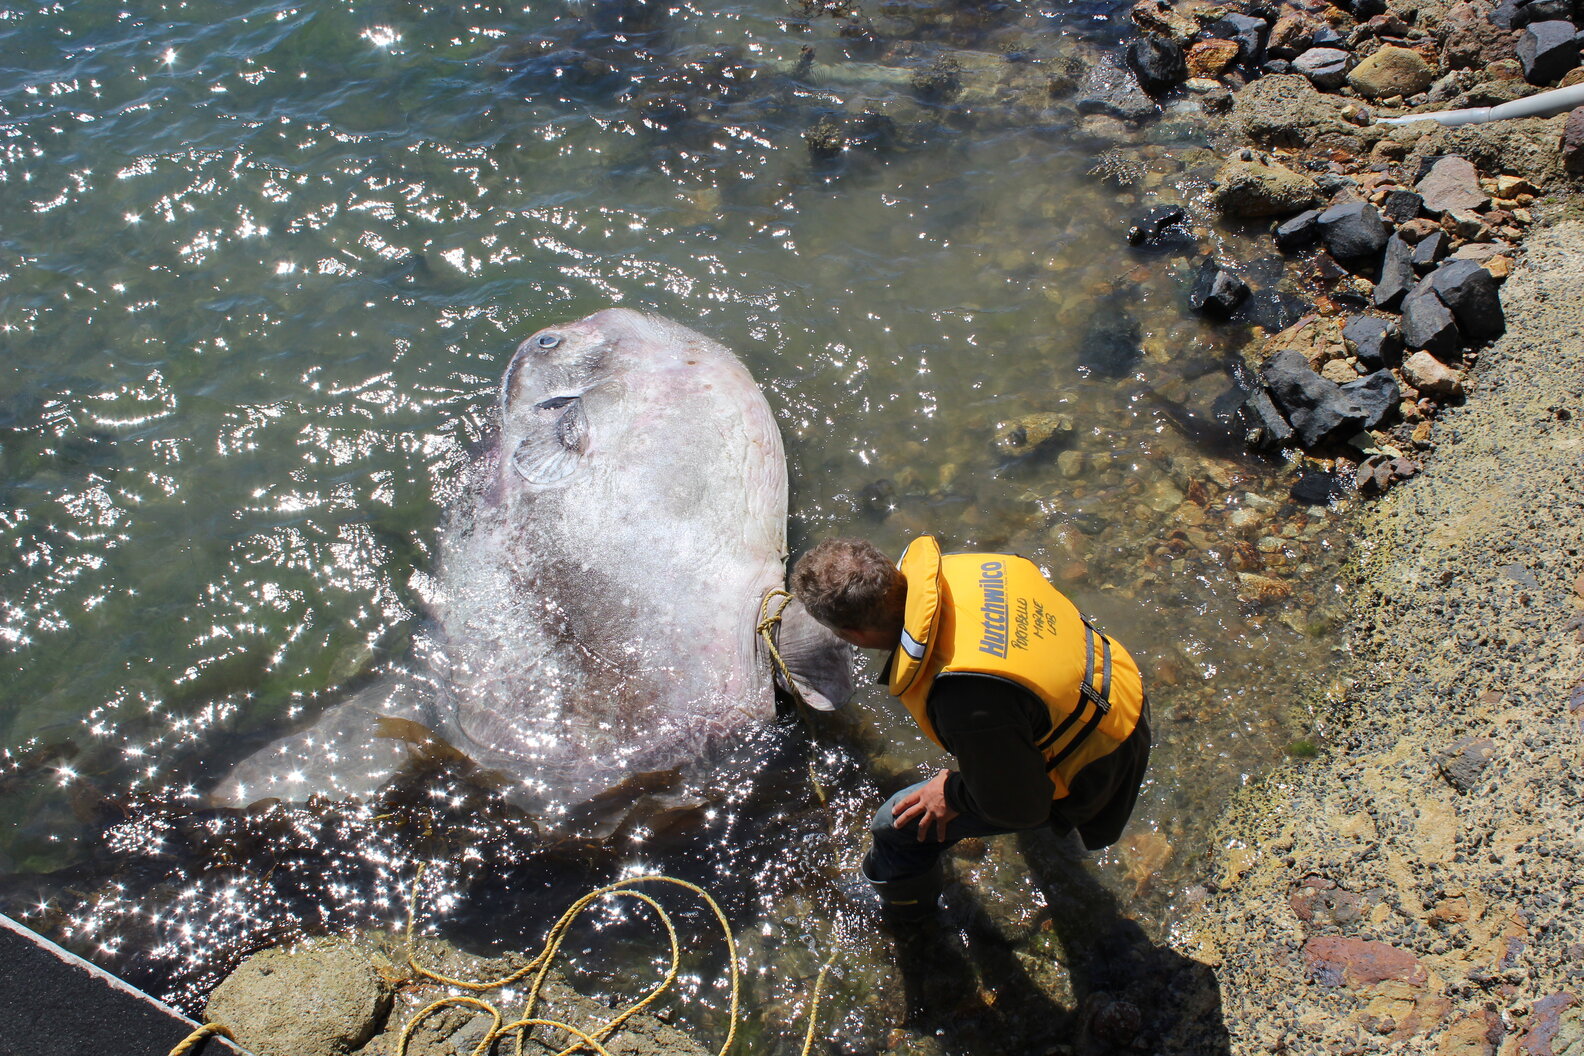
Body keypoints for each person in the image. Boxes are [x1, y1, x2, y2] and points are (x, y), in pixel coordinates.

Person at [790, 535, 1152, 918]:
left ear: (854, 636)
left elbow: (1019, 808)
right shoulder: (972, 568)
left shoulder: (962, 696)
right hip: (1121, 687)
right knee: (1009, 743)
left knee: (897, 824)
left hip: (1102, 761)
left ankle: (904, 911)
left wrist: (953, 792)